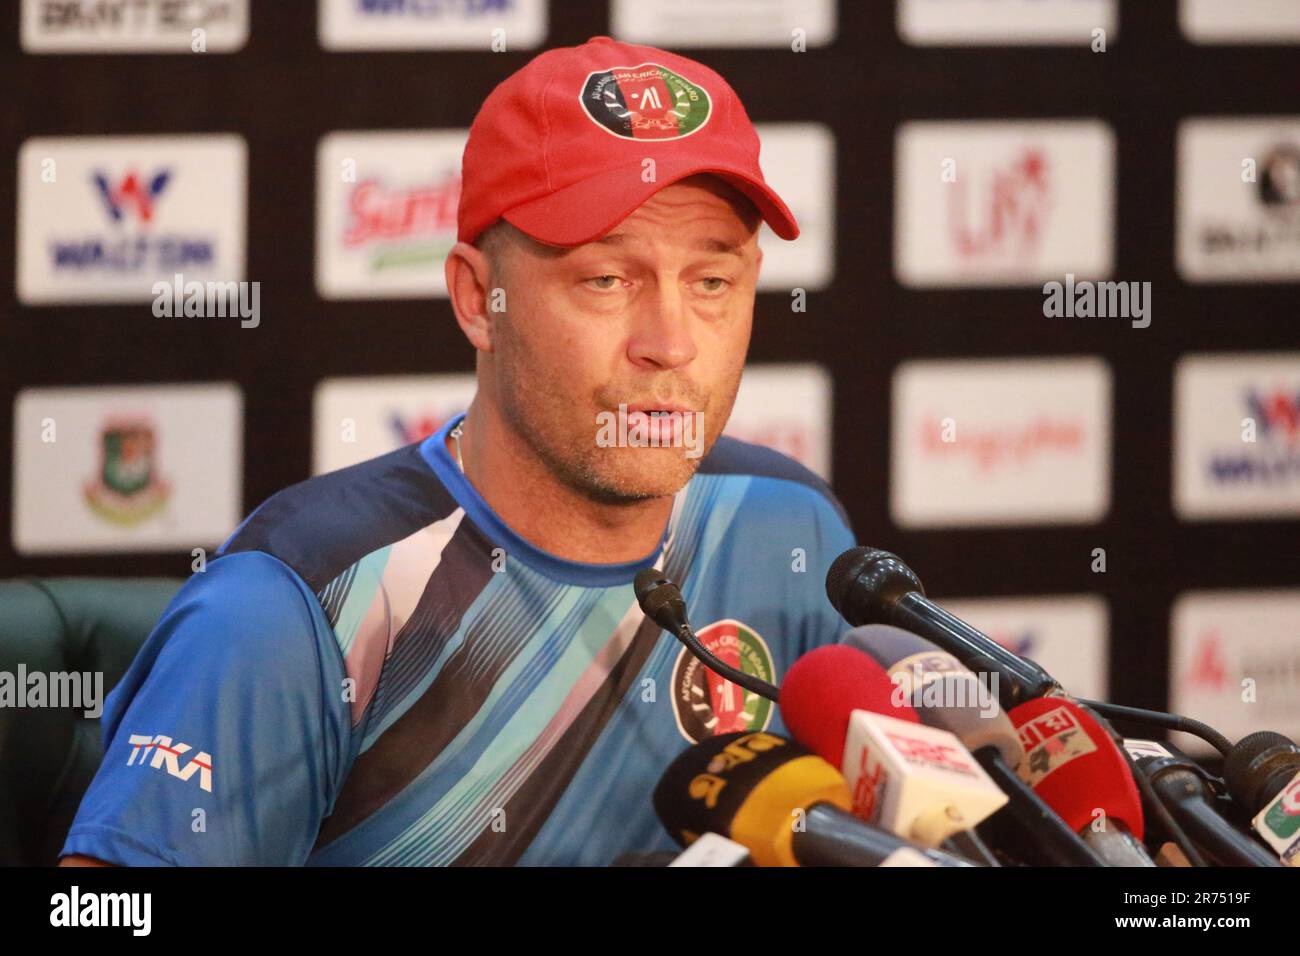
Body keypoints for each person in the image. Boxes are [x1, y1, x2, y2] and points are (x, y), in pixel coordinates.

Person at [60, 35, 854, 867]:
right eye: (607, 280)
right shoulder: (295, 607)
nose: (671, 344)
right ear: (479, 301)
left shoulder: (790, 529)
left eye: (711, 284)